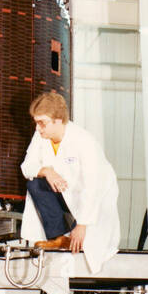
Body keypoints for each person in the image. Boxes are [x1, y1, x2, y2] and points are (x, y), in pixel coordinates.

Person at [20, 90, 121, 274]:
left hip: (94, 202)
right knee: (35, 183)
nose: (38, 128)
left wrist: (82, 224)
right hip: (66, 198)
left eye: (42, 123)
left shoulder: (84, 141)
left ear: (58, 120)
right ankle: (59, 237)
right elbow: (26, 167)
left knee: (90, 242)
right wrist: (46, 170)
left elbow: (92, 187)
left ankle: (77, 233)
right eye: (36, 123)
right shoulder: (40, 138)